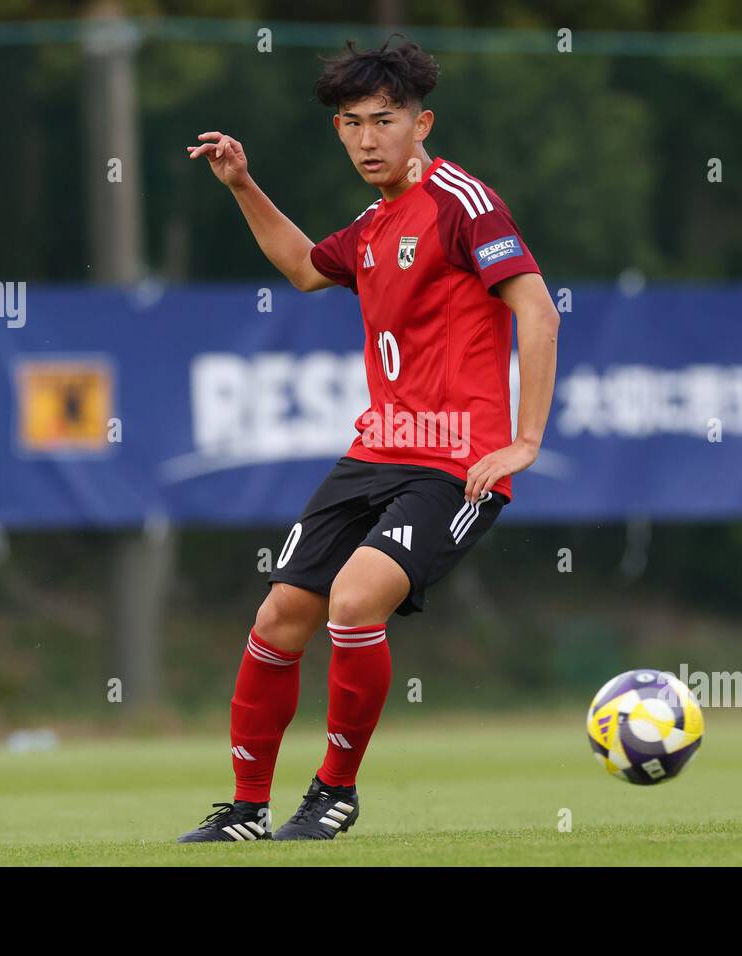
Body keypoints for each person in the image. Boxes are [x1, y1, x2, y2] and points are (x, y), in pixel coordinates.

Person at [177, 35, 560, 842]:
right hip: (375, 450)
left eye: (383, 120)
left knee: (352, 601)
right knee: (281, 613)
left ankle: (334, 792)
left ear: (423, 123)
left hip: (456, 461)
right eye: (350, 123)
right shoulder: (377, 220)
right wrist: (243, 185)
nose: (366, 139)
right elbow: (306, 269)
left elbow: (537, 309)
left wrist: (525, 441)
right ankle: (246, 810)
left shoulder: (465, 202)